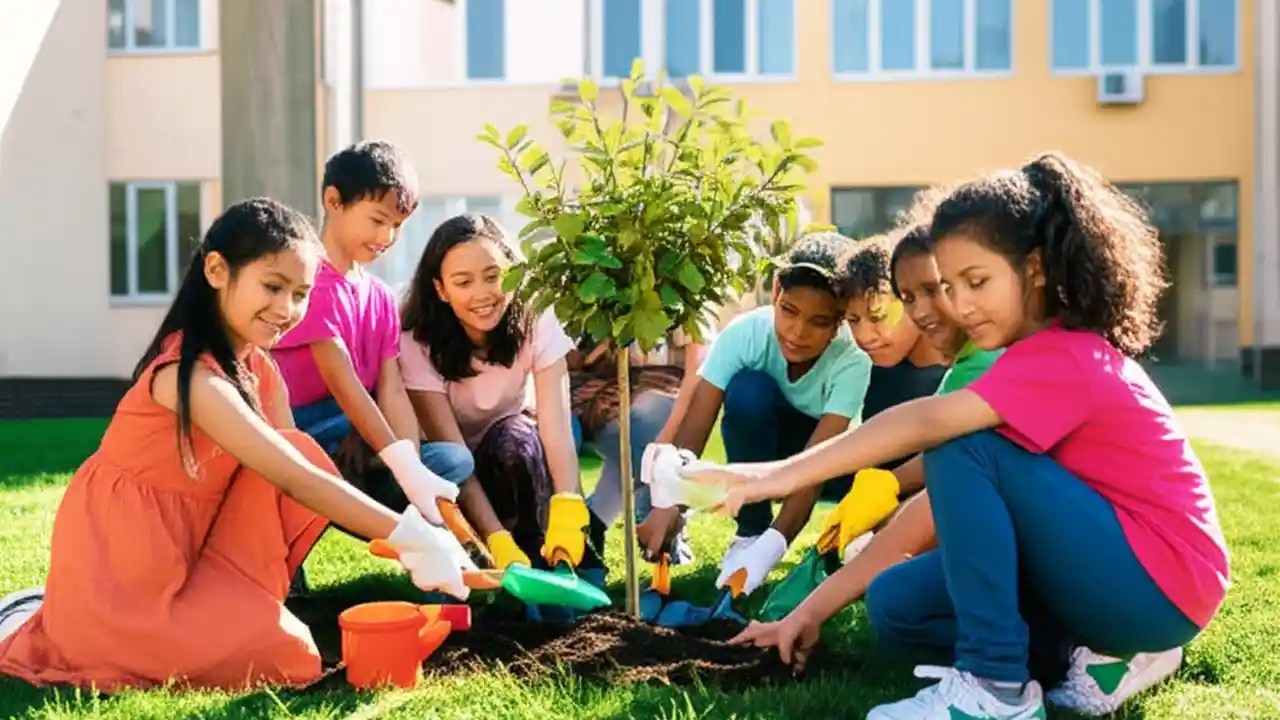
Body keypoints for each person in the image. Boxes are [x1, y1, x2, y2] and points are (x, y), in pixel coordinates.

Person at [693, 153, 1229, 719]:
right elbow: (927, 514)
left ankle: (996, 691)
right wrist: (807, 613)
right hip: (1117, 578)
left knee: (954, 440)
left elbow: (928, 427)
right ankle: (1093, 661)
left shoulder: (1063, 356)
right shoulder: (1019, 361)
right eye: (951, 285)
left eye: (977, 282)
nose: (959, 304)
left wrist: (763, 479)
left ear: (1037, 269)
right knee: (898, 603)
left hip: (1160, 580)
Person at [0, 199, 474, 692]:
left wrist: (415, 531)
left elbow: (297, 471)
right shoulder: (190, 379)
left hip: (191, 551)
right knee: (287, 657)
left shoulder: (259, 372)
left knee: (301, 449)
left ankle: (235, 602)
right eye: (272, 287)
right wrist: (411, 536)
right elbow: (295, 478)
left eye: (300, 294)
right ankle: (29, 618)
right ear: (217, 270)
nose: (287, 309)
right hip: (121, 573)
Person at [636, 232, 873, 596]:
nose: (797, 332)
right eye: (789, 311)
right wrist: (670, 504)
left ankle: (827, 539)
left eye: (819, 321)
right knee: (749, 388)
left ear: (840, 322)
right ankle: (750, 531)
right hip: (761, 446)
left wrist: (770, 550)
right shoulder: (746, 333)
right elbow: (697, 424)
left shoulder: (852, 360)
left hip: (831, 465)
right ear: (776, 291)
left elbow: (817, 466)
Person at [270, 141, 473, 524]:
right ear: (334, 201)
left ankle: (415, 527)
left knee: (452, 460)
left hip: (364, 435)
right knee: (351, 432)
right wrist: (385, 450)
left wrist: (412, 470)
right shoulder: (308, 283)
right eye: (378, 220)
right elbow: (343, 383)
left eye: (397, 226)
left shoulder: (380, 298)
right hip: (304, 432)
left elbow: (392, 390)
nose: (387, 236)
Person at [398, 214, 603, 580]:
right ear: (441, 290)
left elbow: (555, 426)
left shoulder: (537, 317)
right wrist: (495, 538)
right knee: (456, 460)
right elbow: (452, 450)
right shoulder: (416, 339)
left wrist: (569, 504)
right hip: (450, 466)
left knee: (518, 440)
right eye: (463, 282)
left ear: (512, 274)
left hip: (509, 450)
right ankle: (490, 561)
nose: (482, 294)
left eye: (493, 276)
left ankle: (550, 559)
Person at [570, 331, 708, 565]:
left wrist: (662, 445)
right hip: (611, 393)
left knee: (651, 415)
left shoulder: (685, 311)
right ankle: (655, 531)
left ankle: (637, 524)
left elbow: (697, 373)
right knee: (638, 434)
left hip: (667, 395)